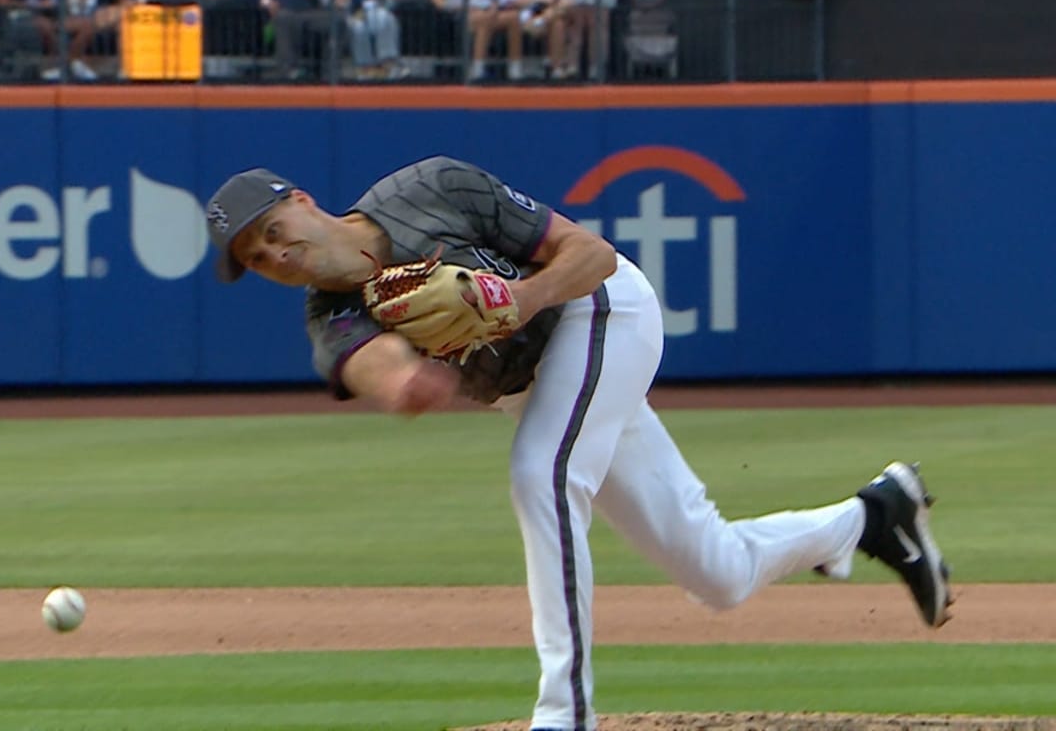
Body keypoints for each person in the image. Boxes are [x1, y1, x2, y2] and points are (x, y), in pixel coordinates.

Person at [203, 156, 953, 731]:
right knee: (716, 574)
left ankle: (564, 712)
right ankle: (875, 514)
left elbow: (588, 254)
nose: (278, 254)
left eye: (273, 232)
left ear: (301, 200)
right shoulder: (332, 316)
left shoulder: (430, 187)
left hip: (601, 313)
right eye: (259, 259)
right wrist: (410, 382)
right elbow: (383, 374)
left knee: (541, 474)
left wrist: (517, 299)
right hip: (539, 380)